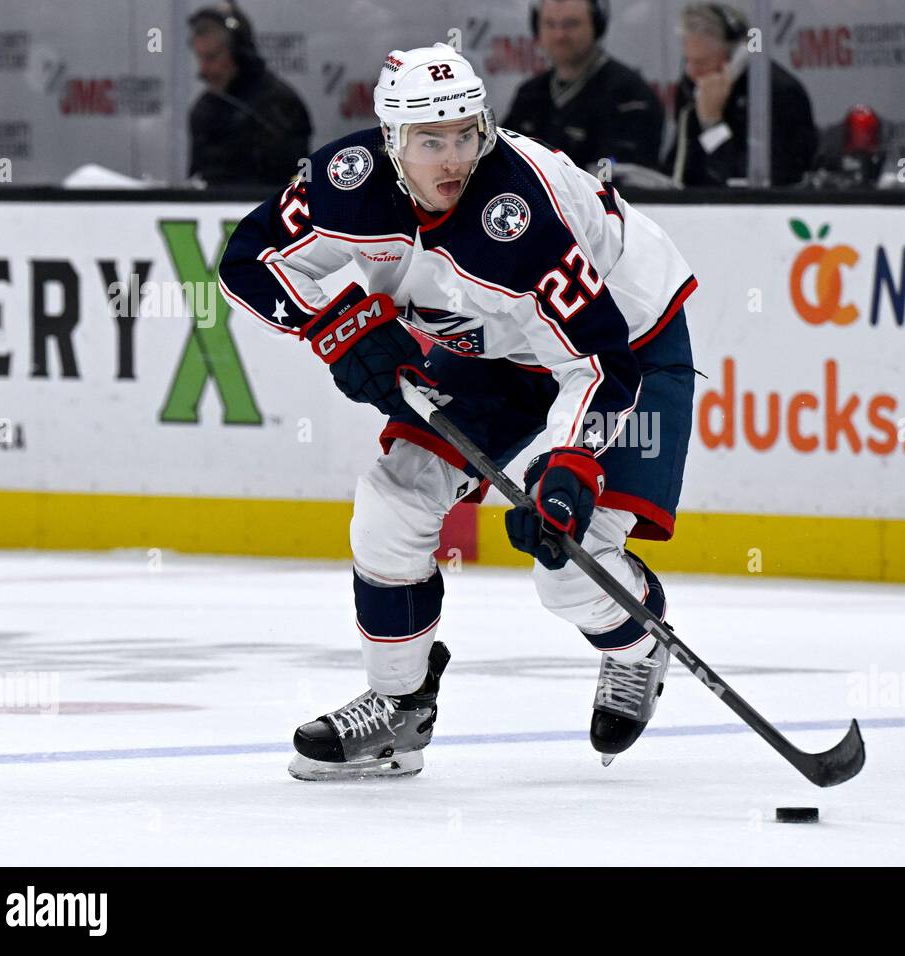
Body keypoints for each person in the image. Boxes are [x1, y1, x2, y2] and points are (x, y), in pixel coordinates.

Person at [218, 43, 698, 780]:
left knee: (569, 569)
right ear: (390, 140)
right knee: (392, 502)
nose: (453, 159)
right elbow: (250, 259)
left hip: (625, 343)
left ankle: (637, 644)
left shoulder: (519, 218)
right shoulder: (347, 180)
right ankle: (399, 706)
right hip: (489, 346)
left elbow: (597, 363)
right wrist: (336, 327)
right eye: (430, 141)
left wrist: (569, 465)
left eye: (466, 134)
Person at [503, 0, 664, 173]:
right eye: (550, 24)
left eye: (571, 24)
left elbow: (618, 178)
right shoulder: (529, 94)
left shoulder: (629, 96)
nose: (559, 35)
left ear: (596, 26)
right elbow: (501, 160)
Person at [666, 3, 817, 187]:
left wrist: (712, 125)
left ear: (737, 55)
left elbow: (747, 180)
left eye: (702, 63)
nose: (691, 72)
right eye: (687, 60)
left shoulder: (779, 95)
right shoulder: (692, 88)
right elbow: (677, 169)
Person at [187, 2, 312, 187]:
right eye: (200, 57)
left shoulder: (280, 105)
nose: (204, 69)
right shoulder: (204, 109)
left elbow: (299, 180)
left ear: (239, 53)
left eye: (212, 57)